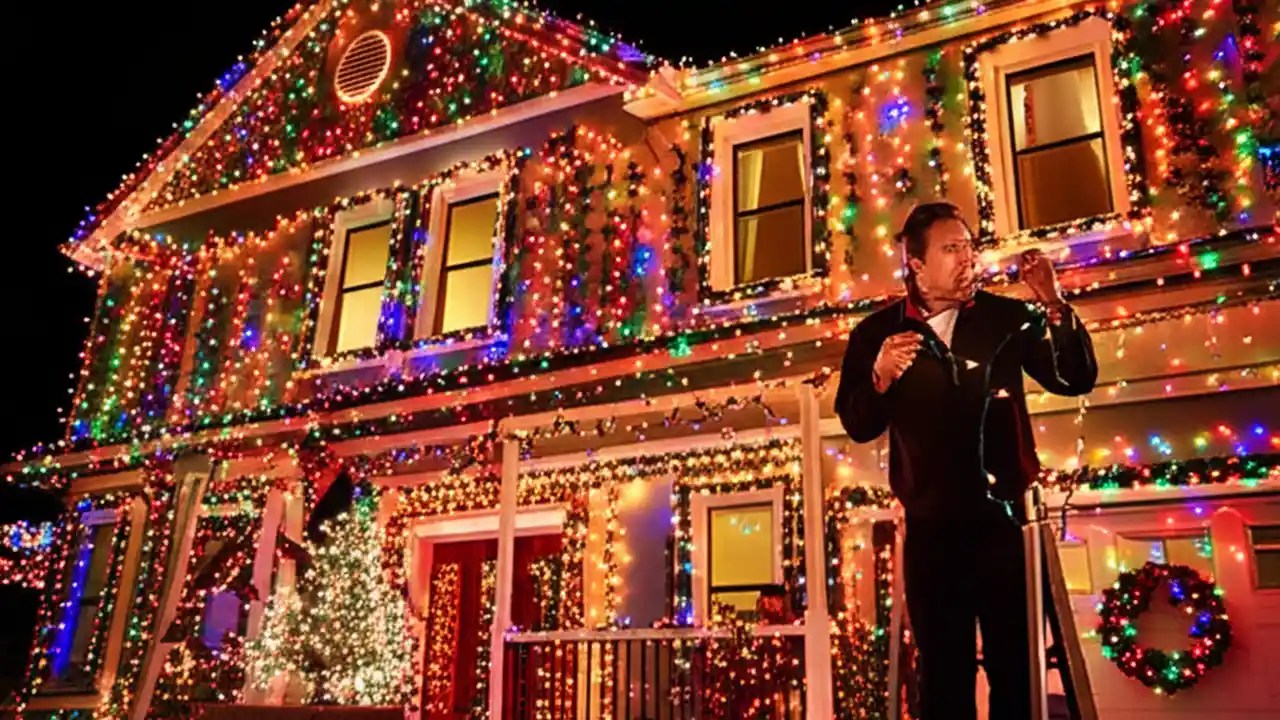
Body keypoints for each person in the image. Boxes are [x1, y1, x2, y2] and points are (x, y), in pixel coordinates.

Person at [834, 202, 1097, 720]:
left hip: (1005, 524)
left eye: (968, 247)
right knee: (944, 674)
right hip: (932, 530)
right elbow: (859, 423)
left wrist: (1054, 304)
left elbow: (1074, 379)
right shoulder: (876, 335)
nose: (965, 257)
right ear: (915, 262)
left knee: (1015, 671)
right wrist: (881, 376)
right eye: (950, 248)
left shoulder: (1008, 318)